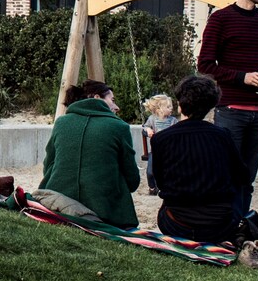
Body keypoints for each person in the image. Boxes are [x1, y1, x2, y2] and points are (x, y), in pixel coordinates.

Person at [196, 0, 258, 233]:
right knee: (227, 175)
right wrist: (243, 77)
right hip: (230, 111)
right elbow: (205, 65)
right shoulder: (220, 18)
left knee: (248, 178)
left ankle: (241, 230)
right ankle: (224, 227)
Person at [35, 80, 140, 229]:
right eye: (112, 100)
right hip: (105, 212)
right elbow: (132, 180)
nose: (117, 107)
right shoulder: (119, 126)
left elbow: (48, 166)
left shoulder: (61, 123)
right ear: (97, 98)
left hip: (59, 206)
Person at [149, 74, 240, 243]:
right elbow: (241, 175)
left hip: (176, 223)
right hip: (219, 225)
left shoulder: (161, 139)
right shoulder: (222, 136)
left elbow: (160, 181)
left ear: (180, 104)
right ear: (211, 106)